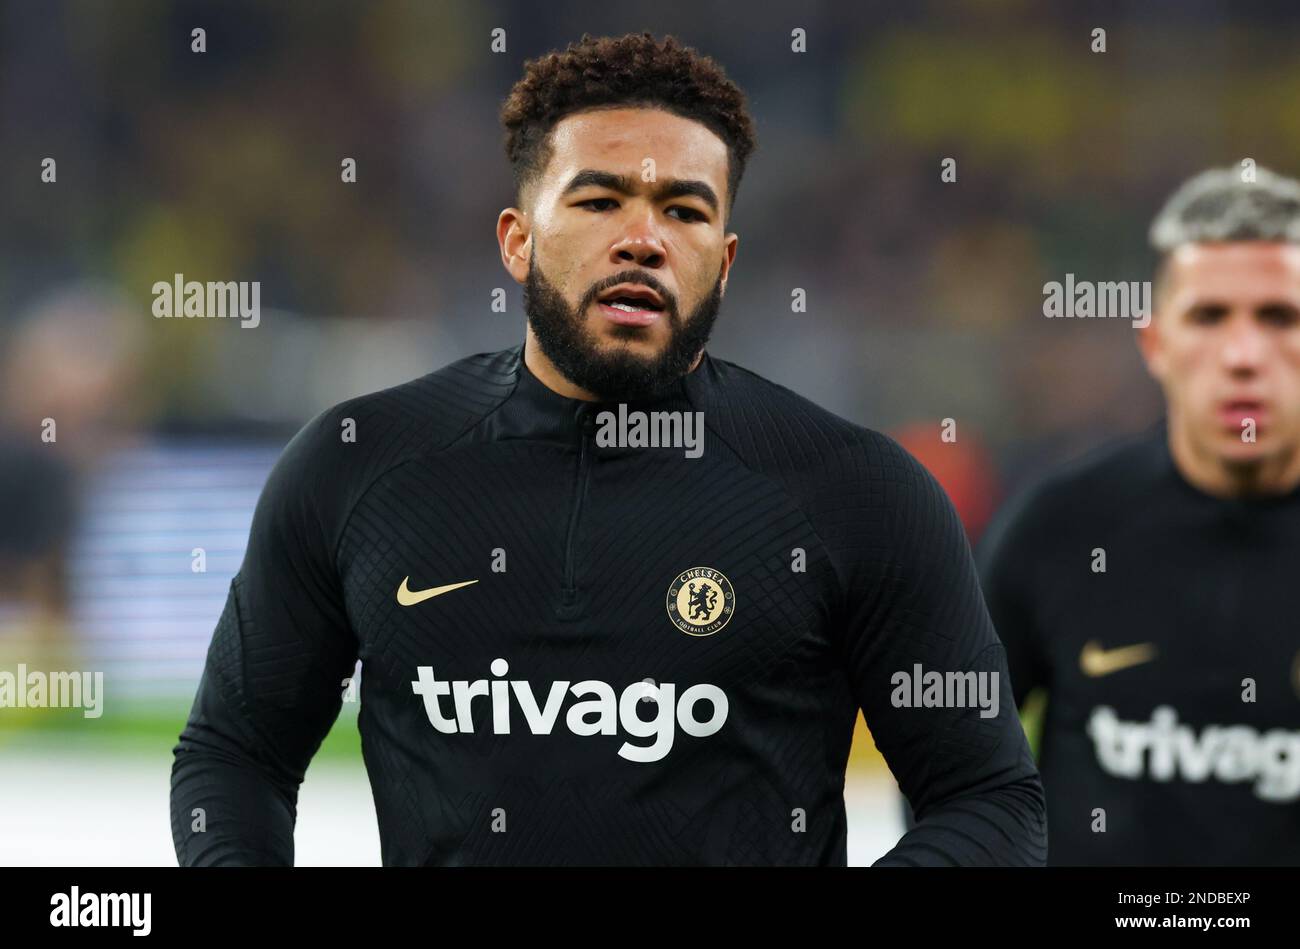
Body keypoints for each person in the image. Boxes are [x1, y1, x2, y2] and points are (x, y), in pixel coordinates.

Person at [171, 31, 1045, 866]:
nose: (644, 238)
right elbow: (234, 753)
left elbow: (992, 802)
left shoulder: (856, 491)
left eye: (684, 210)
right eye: (599, 200)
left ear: (726, 259)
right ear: (517, 239)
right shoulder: (358, 465)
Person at [980, 166, 1300, 864]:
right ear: (1156, 344)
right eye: (1209, 317)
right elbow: (951, 770)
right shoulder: (1058, 528)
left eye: (1279, 317)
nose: (1244, 356)